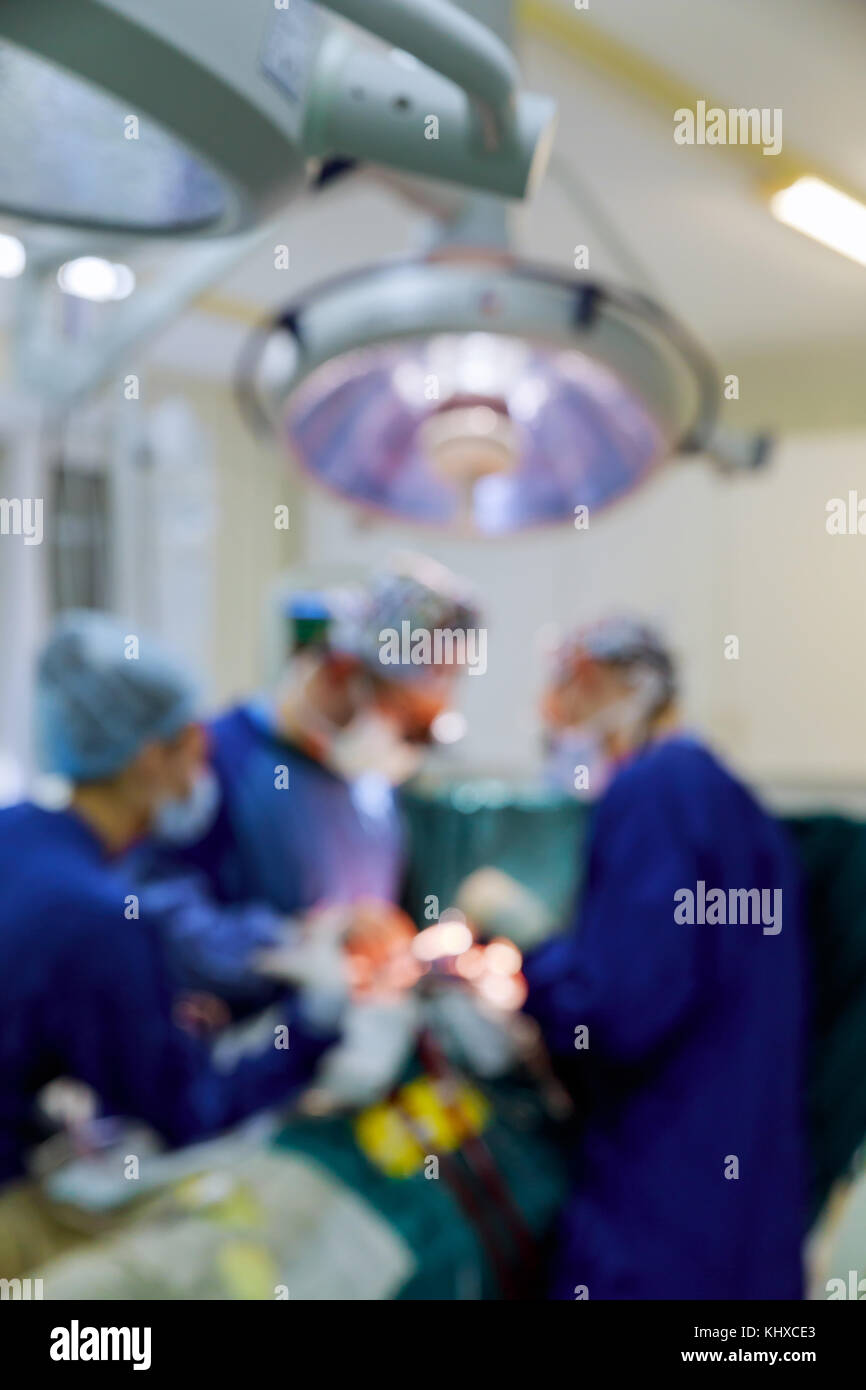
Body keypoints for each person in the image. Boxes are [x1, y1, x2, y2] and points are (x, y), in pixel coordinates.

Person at [0, 611, 342, 1263]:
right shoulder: (96, 913)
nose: (201, 770)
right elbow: (185, 1112)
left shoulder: (16, 833)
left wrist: (144, 1023)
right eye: (192, 748)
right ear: (148, 757)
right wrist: (313, 1024)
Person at [524, 617, 808, 1300]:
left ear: (590, 682)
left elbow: (619, 1009)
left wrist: (534, 960)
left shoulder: (654, 793)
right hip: (743, 1211)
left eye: (559, 711)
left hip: (663, 1213)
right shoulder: (725, 799)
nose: (556, 735)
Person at [142, 555, 480, 994]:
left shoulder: (369, 780)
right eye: (407, 722)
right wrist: (299, 940)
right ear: (342, 673)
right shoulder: (212, 762)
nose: (407, 747)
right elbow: (155, 920)